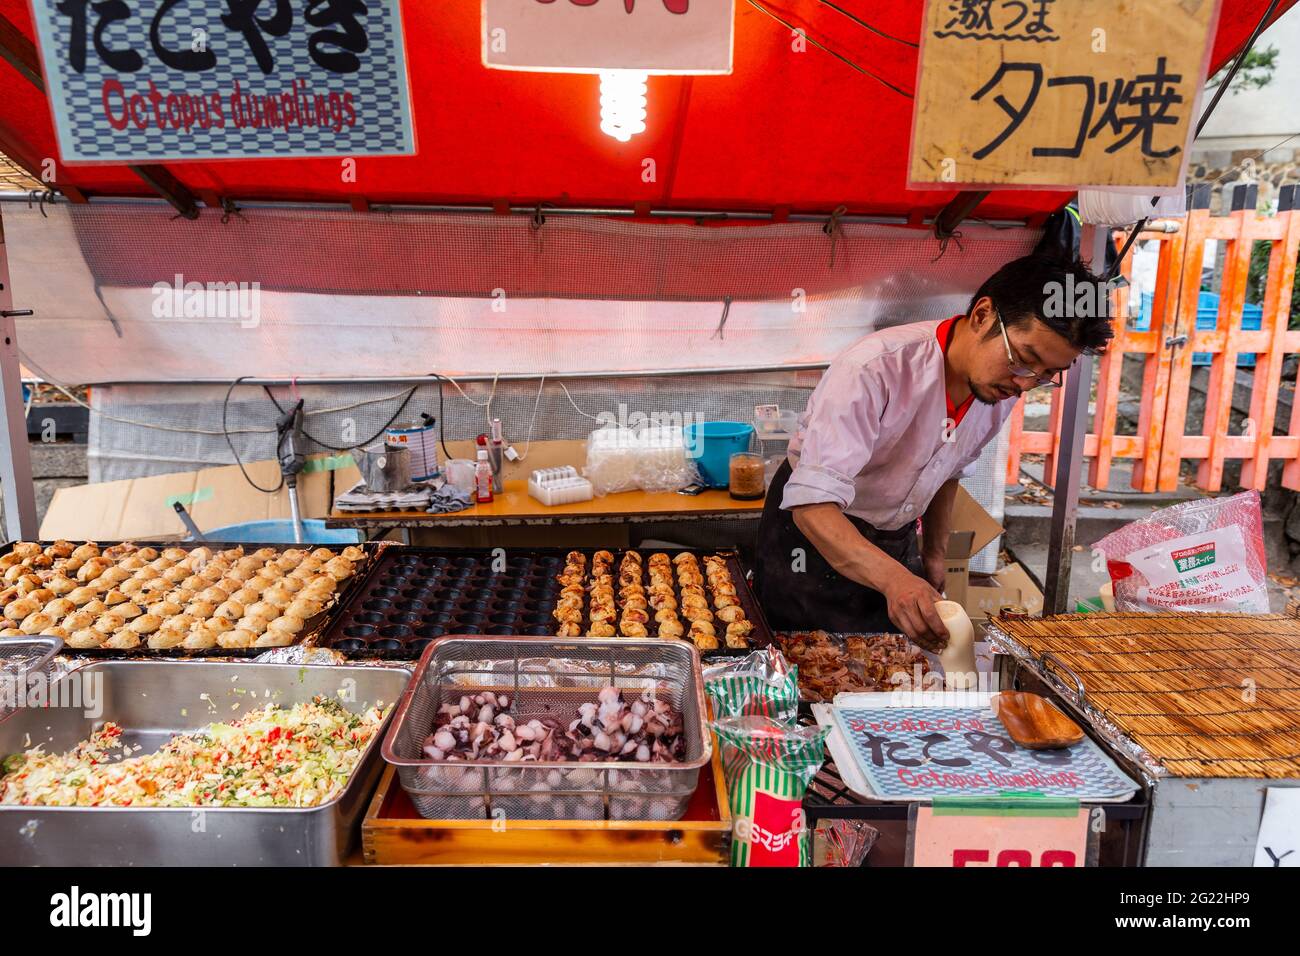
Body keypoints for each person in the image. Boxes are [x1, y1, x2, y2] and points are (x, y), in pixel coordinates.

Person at [753, 254, 1113, 650]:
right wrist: (895, 580)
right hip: (813, 538)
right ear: (982, 315)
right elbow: (813, 505)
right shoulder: (874, 369)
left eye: (1046, 375)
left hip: (895, 536)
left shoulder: (1000, 387)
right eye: (1025, 360)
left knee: (879, 662)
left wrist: (935, 554)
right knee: (801, 659)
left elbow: (948, 471)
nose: (1026, 384)